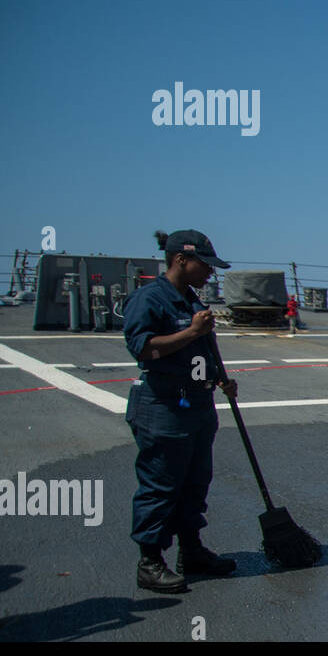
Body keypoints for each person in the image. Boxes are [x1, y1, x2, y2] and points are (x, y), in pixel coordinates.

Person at [123, 230, 239, 593]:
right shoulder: (149, 299)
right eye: (206, 266)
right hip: (164, 406)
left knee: (194, 483)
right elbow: (143, 349)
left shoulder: (190, 299)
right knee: (160, 486)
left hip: (198, 405)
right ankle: (150, 561)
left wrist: (221, 378)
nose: (210, 273)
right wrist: (191, 332)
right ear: (181, 260)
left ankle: (192, 551)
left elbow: (203, 348)